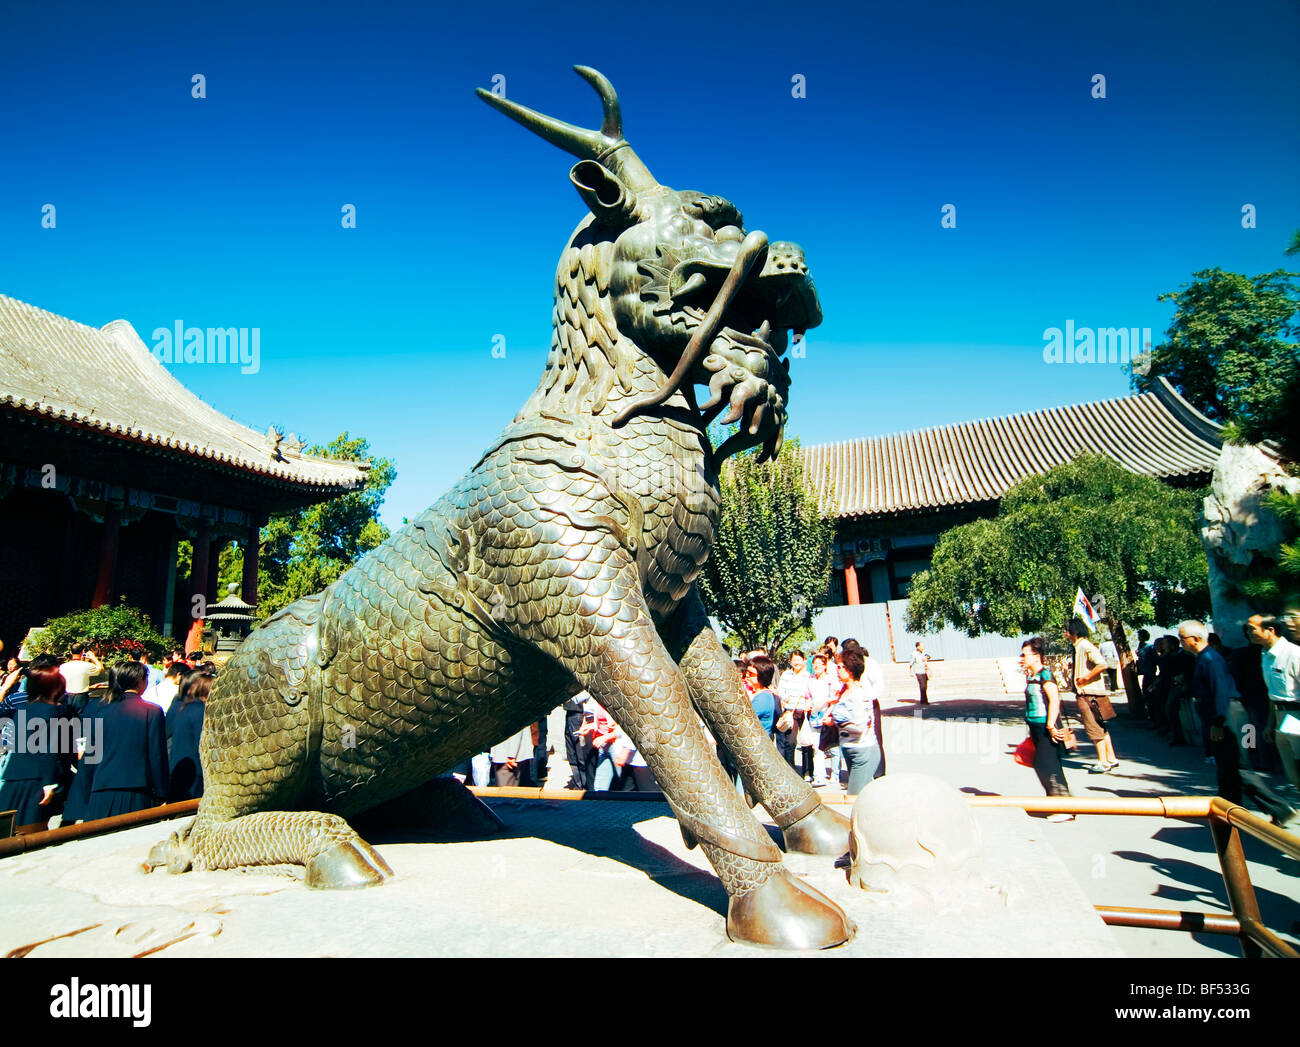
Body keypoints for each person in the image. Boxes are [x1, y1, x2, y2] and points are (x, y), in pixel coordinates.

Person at [1180, 620, 1297, 828]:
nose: (1181, 643)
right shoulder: (1204, 659)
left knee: (1239, 768)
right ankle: (1229, 813)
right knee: (1226, 768)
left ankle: (1280, 808)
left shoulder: (1210, 659)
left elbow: (1221, 692)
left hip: (1229, 717)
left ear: (1196, 639)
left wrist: (1218, 722)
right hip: (1227, 716)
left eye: (1182, 639)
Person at [85, 661, 170, 820]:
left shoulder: (101, 710)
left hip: (101, 788)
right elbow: (157, 755)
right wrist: (162, 791)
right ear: (141, 681)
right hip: (137, 789)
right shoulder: (152, 711)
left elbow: (91, 755)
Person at [0, 662, 74, 830]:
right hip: (38, 778)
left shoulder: (23, 708)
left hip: (15, 775)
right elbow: (47, 750)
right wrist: (49, 783)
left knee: (9, 828)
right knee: (32, 829)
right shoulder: (55, 711)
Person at [1018, 638, 1073, 819]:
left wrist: (1050, 724)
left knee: (1047, 765)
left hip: (1045, 727)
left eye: (1025, 655)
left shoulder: (1045, 674)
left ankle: (1063, 808)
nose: (1022, 658)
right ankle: (1058, 804)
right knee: (1044, 765)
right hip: (1035, 726)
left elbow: (1054, 700)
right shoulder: (1031, 675)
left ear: (1036, 656)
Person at [1246, 614, 1300, 795]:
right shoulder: (1266, 655)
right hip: (1280, 717)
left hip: (1296, 716)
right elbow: (1273, 693)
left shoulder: (1293, 654)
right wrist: (1270, 723)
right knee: (1292, 774)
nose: (1248, 633)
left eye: (1252, 628)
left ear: (1270, 630)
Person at [1064, 618, 1119, 772]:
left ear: (1073, 631)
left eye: (1066, 630)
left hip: (1088, 693)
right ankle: (1111, 758)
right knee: (1101, 726)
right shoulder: (1079, 646)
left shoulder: (1084, 646)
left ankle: (1103, 762)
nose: (1065, 633)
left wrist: (1086, 678)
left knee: (1093, 727)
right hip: (1092, 693)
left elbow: (1102, 664)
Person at [830, 648, 880, 796]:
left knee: (855, 796)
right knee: (864, 795)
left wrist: (836, 722)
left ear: (850, 669)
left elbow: (859, 727)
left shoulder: (859, 693)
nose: (837, 670)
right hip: (849, 748)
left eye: (840, 667)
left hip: (863, 750)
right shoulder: (844, 691)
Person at [166, 670, 211, 801]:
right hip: (194, 773)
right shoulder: (200, 712)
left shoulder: (184, 707)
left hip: (178, 767)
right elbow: (201, 745)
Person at [776, 650, 812, 779]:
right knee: (790, 741)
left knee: (806, 741)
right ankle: (791, 770)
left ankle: (808, 771)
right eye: (794, 660)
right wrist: (786, 698)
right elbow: (780, 690)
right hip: (790, 711)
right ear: (790, 661)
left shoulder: (808, 676)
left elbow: (811, 692)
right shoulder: (786, 675)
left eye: (799, 660)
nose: (796, 662)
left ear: (804, 660)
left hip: (805, 710)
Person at [489, 723, 537, 788]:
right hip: (512, 754)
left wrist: (511, 756)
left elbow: (513, 727)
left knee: (507, 793)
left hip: (507, 756)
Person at [58, 643, 103, 712]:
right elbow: (100, 668)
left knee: (66, 719)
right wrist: (93, 657)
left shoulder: (62, 666)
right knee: (81, 719)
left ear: (70, 652)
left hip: (66, 697)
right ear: (82, 652)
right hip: (81, 698)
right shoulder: (87, 666)